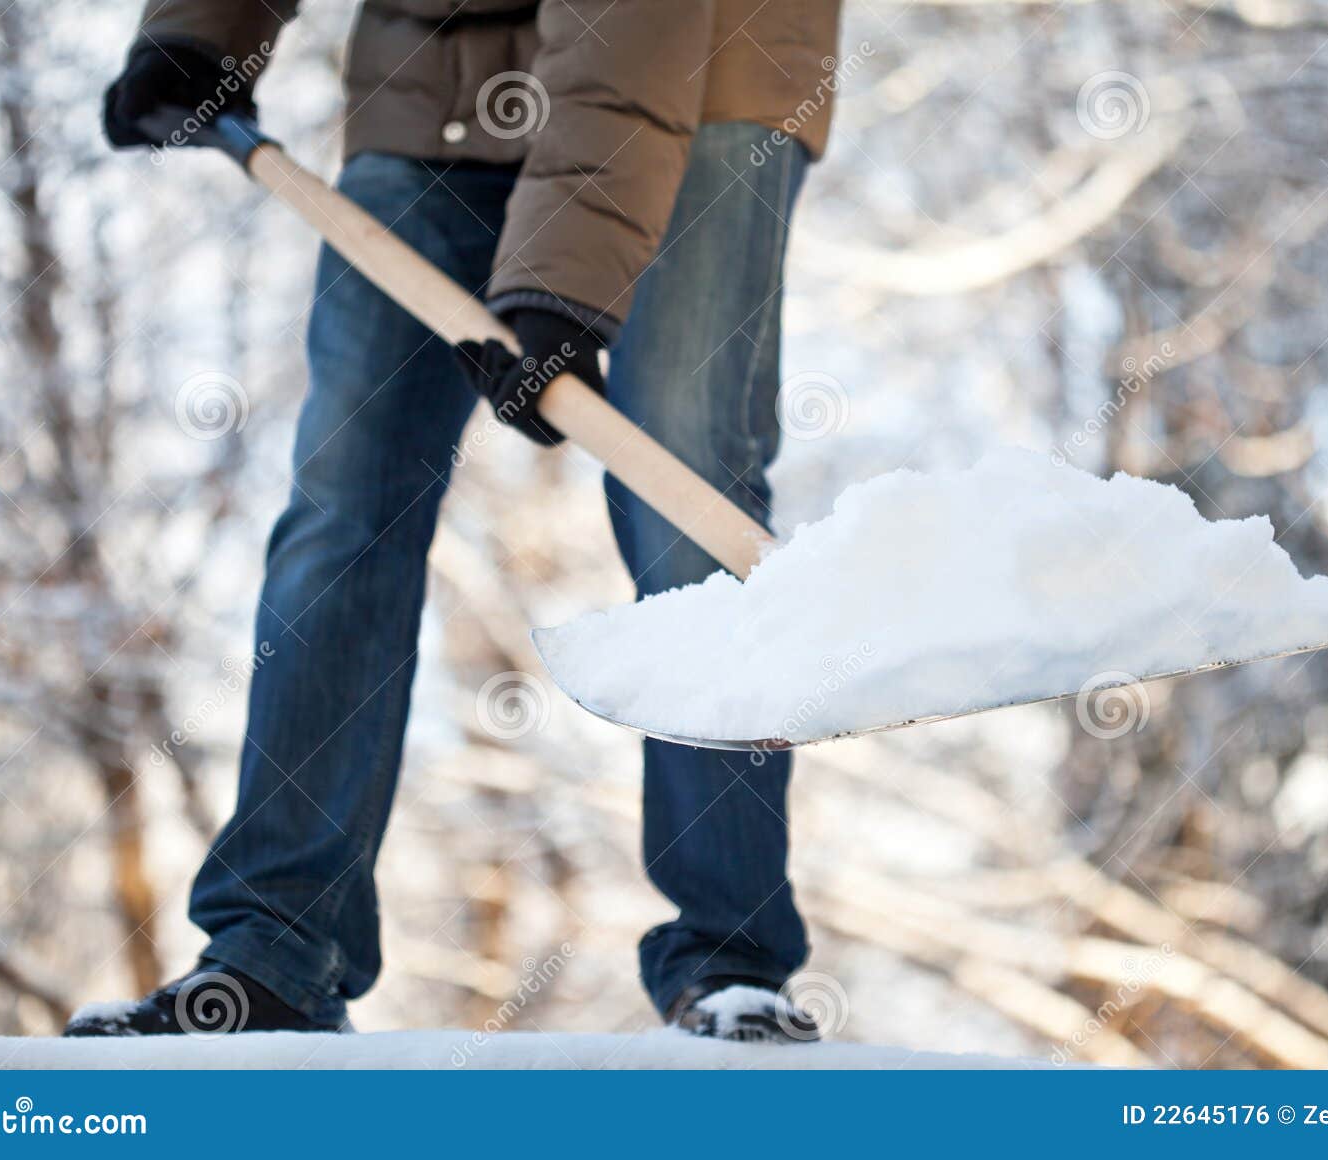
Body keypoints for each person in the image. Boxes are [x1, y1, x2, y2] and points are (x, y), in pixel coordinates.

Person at [67, 0, 841, 1044]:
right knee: (344, 501)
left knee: (684, 496)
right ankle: (277, 955)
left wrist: (560, 283)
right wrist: (202, 28)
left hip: (703, 62)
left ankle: (730, 961)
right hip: (430, 80)